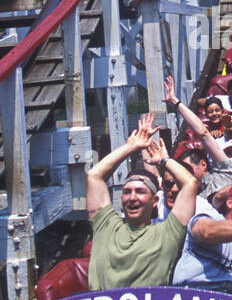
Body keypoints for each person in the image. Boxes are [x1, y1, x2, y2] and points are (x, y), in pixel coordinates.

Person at [85, 114, 198, 290]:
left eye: (140, 192)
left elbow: (190, 184)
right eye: (127, 192)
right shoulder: (105, 225)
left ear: (154, 201)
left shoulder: (168, 233)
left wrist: (164, 161)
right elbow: (94, 176)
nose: (132, 197)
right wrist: (130, 147)